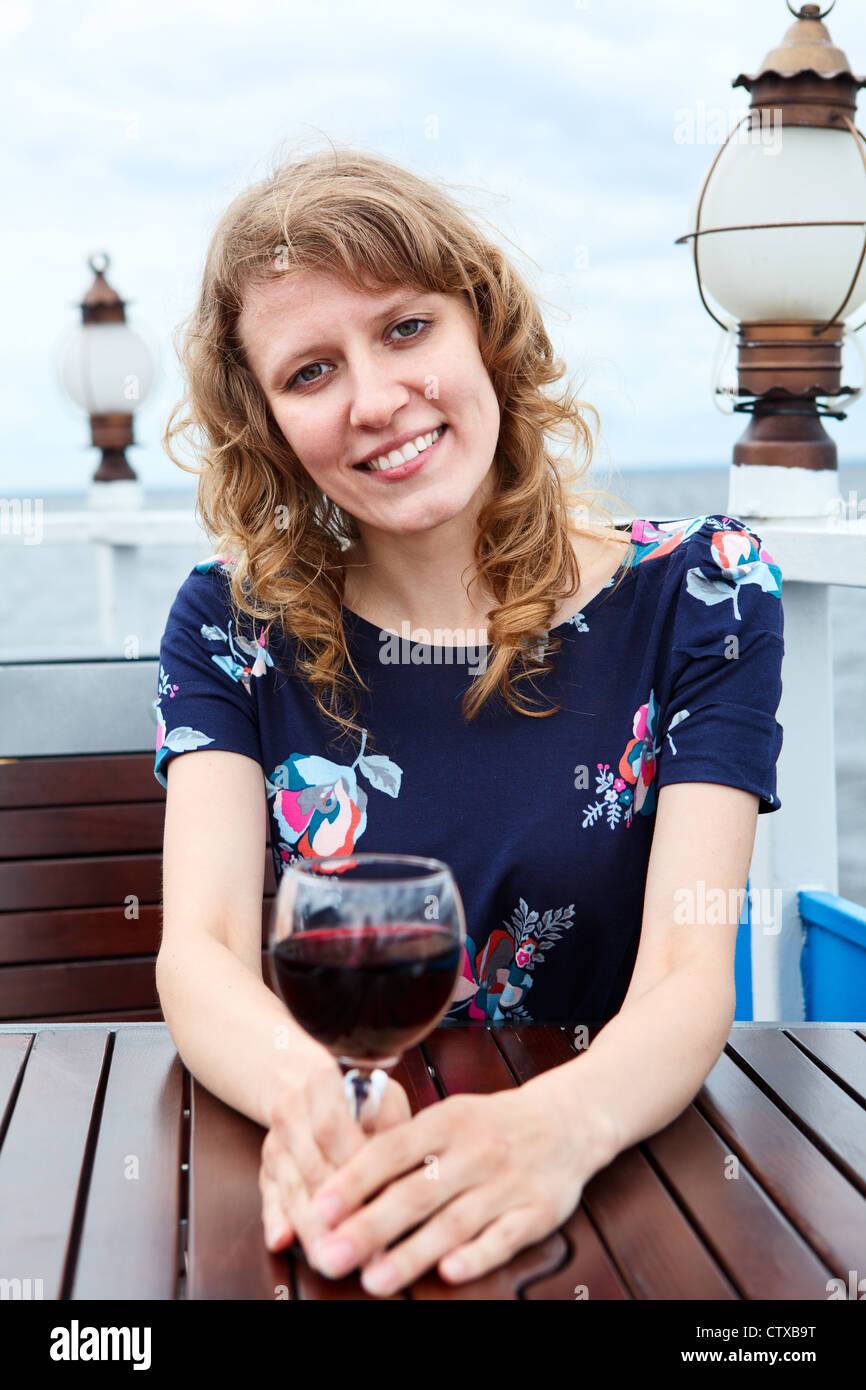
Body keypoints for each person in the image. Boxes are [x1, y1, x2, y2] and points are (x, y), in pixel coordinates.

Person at [153, 141, 784, 1297]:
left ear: (480, 326)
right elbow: (196, 952)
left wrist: (555, 1131)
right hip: (346, 1172)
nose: (377, 400)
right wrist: (313, 1102)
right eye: (309, 373)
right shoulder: (227, 626)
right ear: (269, 429)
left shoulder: (705, 592)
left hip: (608, 1183)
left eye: (404, 328)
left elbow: (691, 967)